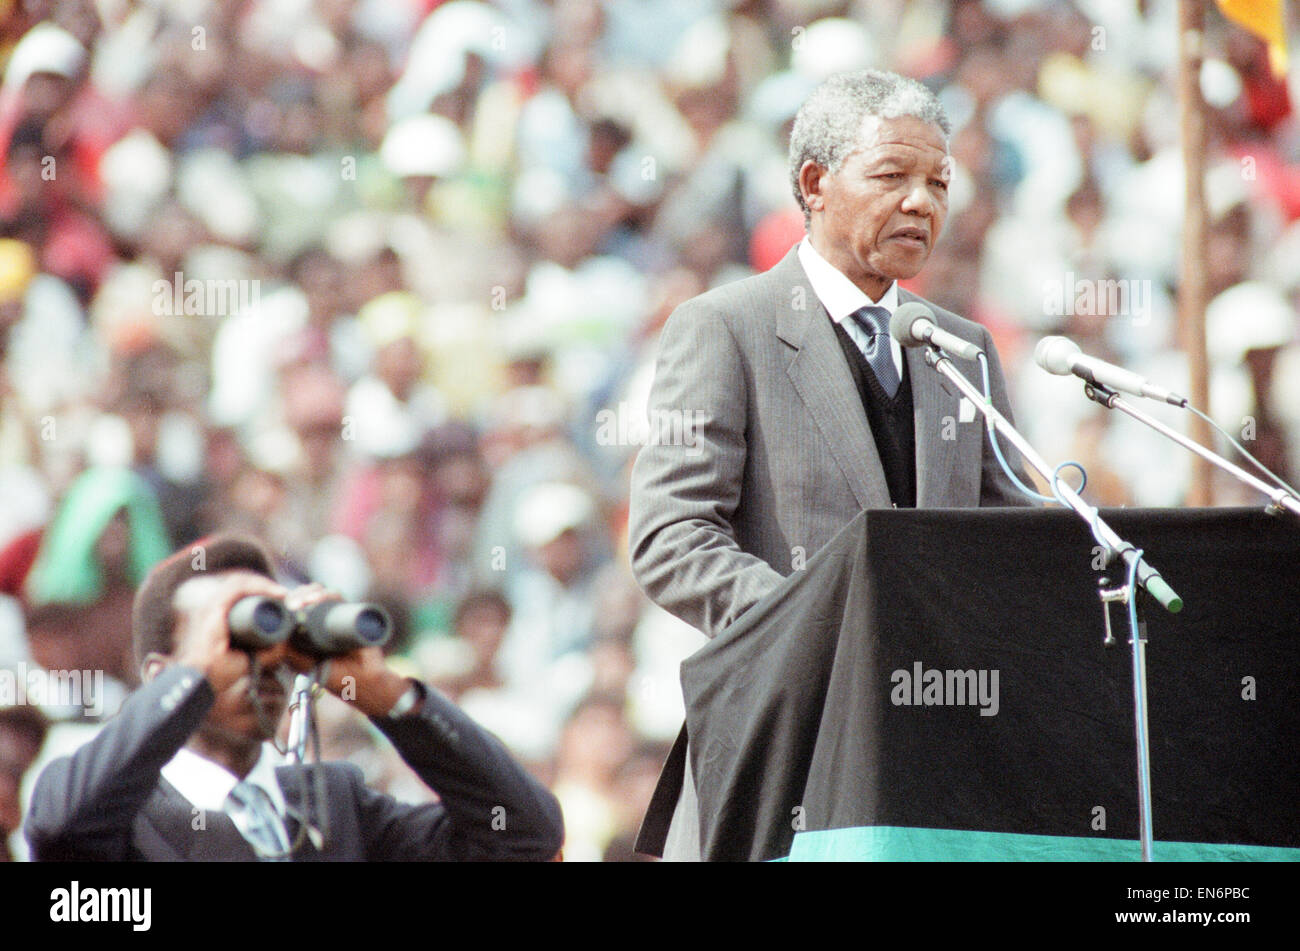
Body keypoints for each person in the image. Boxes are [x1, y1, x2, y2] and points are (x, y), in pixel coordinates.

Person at [627, 69, 1032, 859]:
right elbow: (670, 538)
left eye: (938, 182)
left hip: (931, 760)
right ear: (814, 183)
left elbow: (1009, 542)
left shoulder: (961, 347)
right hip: (787, 751)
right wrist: (821, 632)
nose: (922, 202)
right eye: (892, 176)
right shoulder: (724, 328)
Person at [24, 533, 564, 861]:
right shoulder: (122, 818)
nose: (261, 660)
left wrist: (391, 700)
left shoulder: (336, 807)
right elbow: (59, 830)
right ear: (162, 673)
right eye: (236, 637)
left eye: (273, 635)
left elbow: (524, 839)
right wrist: (195, 680)